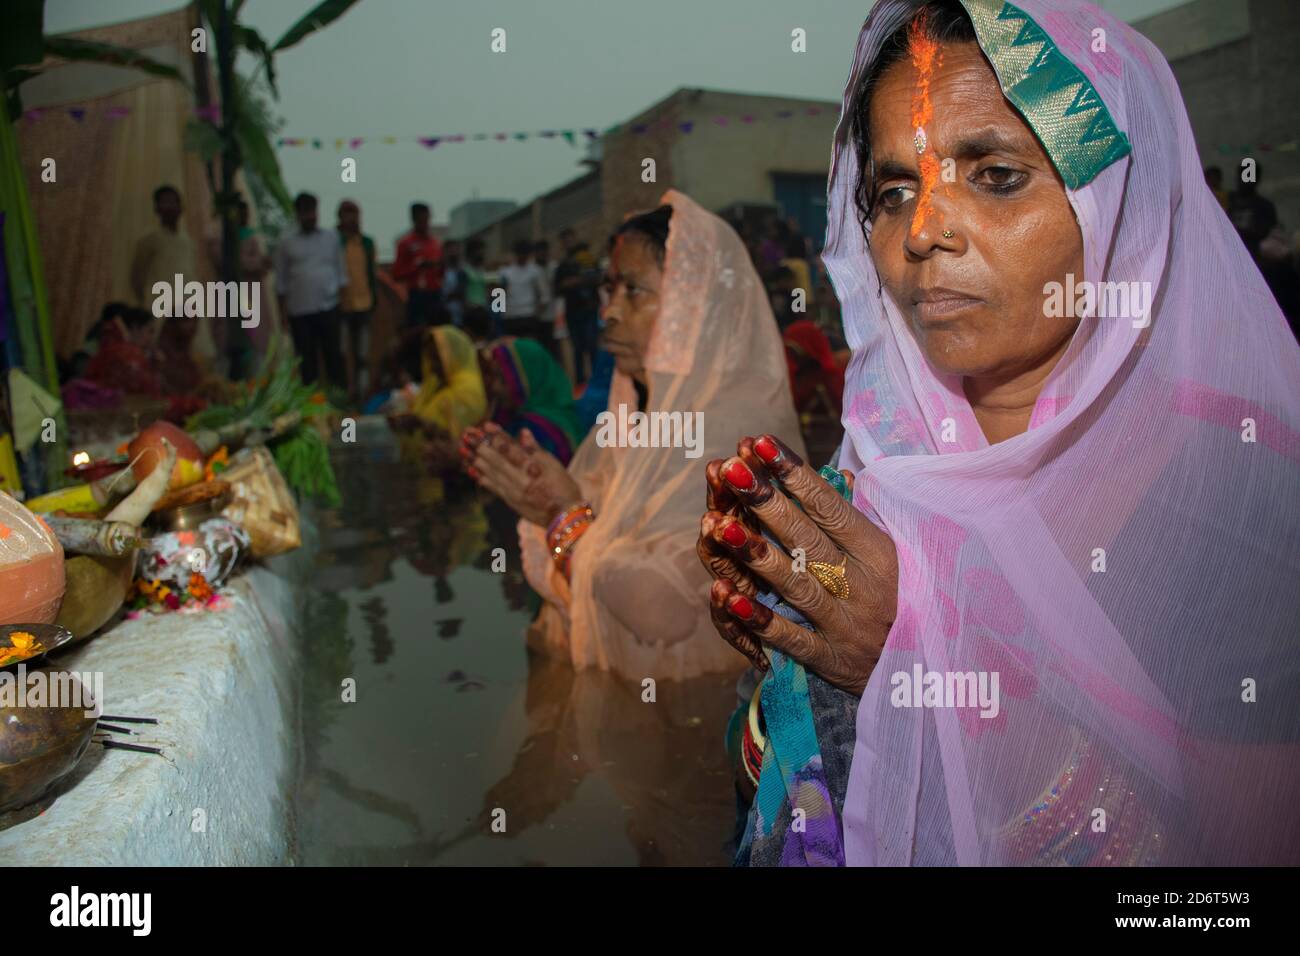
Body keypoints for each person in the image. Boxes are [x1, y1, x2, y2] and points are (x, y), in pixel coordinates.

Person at [700, 0, 1300, 867]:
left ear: (1113, 199)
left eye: (996, 176)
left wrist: (913, 671)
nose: (922, 232)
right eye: (893, 190)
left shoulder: (1242, 495)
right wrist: (789, 663)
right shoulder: (887, 457)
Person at [462, 191, 805, 682]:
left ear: (696, 309)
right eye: (609, 290)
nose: (610, 313)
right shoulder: (635, 414)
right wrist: (552, 497)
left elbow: (661, 611)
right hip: (627, 692)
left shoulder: (737, 433)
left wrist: (562, 519)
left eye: (633, 290)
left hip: (697, 710)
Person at [274, 192, 347, 388]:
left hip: (329, 306)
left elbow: (341, 274)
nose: (310, 217)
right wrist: (282, 316)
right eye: (305, 212)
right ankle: (312, 405)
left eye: (312, 211)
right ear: (298, 214)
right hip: (300, 310)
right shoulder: (286, 242)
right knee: (307, 361)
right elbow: (280, 282)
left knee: (333, 355)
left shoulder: (331, 237)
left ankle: (339, 399)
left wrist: (343, 306)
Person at [480, 335, 585, 465]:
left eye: (504, 380)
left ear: (530, 380)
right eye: (494, 376)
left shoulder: (536, 432)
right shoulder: (563, 415)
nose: (495, 387)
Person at [337, 199, 378, 403]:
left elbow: (372, 274)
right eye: (347, 214)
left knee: (363, 354)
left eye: (355, 214)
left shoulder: (367, 243)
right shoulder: (335, 243)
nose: (352, 219)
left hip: (364, 304)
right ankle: (345, 393)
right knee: (344, 354)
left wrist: (375, 301)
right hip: (342, 306)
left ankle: (361, 395)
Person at [554, 228, 603, 384]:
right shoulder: (563, 265)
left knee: (592, 345)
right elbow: (558, 288)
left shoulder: (589, 259)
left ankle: (596, 379)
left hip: (589, 308)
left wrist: (579, 281)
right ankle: (580, 381)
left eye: (570, 239)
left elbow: (598, 277)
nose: (568, 242)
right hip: (573, 310)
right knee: (578, 348)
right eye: (565, 240)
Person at [392, 202, 443, 326]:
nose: (426, 223)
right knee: (416, 333)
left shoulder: (435, 243)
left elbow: (441, 271)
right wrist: (417, 267)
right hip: (416, 295)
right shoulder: (406, 243)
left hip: (435, 294)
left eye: (427, 219)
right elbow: (397, 274)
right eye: (422, 219)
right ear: (414, 219)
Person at [497, 239, 551, 355]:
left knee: (529, 352)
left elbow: (545, 296)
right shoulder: (505, 272)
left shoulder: (535, 271)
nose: (522, 256)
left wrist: (537, 313)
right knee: (513, 353)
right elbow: (498, 297)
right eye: (520, 253)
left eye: (524, 253)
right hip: (510, 317)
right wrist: (502, 314)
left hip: (529, 316)